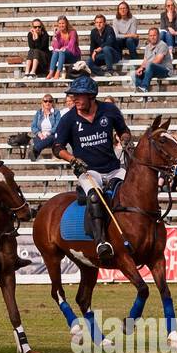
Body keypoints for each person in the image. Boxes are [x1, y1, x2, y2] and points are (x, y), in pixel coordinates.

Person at [52, 76, 131, 261]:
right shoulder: (69, 118)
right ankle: (101, 242)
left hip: (114, 168)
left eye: (79, 96)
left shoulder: (109, 110)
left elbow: (123, 130)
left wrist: (125, 139)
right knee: (95, 196)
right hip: (88, 171)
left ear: (91, 96)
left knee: (133, 191)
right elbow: (57, 147)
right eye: (73, 96)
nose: (74, 99)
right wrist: (72, 159)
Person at [132, 26, 173, 92]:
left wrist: (143, 68)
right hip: (151, 69)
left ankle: (144, 87)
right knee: (134, 73)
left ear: (158, 36)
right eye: (150, 35)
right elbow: (145, 61)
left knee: (150, 65)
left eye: (154, 35)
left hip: (165, 70)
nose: (152, 37)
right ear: (148, 36)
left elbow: (157, 61)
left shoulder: (163, 45)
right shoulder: (147, 47)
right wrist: (140, 68)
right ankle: (145, 94)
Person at [30, 94, 60, 161]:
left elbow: (57, 125)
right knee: (37, 139)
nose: (48, 103)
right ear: (42, 103)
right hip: (41, 135)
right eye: (45, 101)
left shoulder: (56, 112)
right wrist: (39, 133)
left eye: (50, 101)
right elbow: (33, 126)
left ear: (52, 102)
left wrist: (48, 133)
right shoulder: (39, 113)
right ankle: (34, 154)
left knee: (49, 139)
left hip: (52, 135)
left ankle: (35, 150)